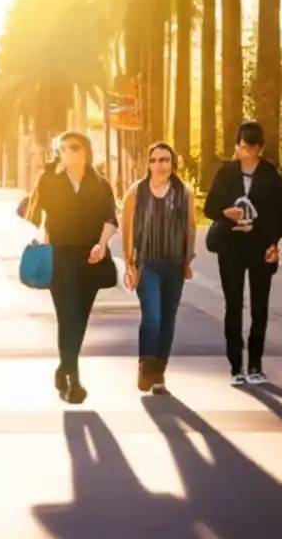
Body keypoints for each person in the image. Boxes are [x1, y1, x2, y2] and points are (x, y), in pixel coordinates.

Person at [24, 131, 118, 404]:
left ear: (86, 151)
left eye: (74, 147)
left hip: (90, 257)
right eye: (63, 148)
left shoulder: (100, 184)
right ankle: (73, 379)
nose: (68, 152)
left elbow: (110, 218)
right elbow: (34, 213)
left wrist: (101, 245)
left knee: (80, 318)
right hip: (61, 256)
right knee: (67, 316)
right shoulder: (49, 180)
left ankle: (64, 366)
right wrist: (44, 236)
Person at [204, 122, 282, 386]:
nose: (244, 148)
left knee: (260, 308)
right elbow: (210, 207)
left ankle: (256, 365)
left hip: (260, 247)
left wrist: (271, 240)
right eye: (241, 143)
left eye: (250, 144)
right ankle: (236, 366)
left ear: (260, 146)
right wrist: (227, 213)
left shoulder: (270, 174)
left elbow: (279, 213)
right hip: (231, 247)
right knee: (234, 305)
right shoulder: (226, 172)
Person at [121, 142, 196, 395]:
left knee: (168, 319)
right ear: (148, 164)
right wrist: (129, 262)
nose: (159, 164)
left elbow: (191, 227)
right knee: (152, 315)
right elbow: (128, 228)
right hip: (147, 262)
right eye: (154, 160)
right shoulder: (137, 192)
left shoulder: (183, 192)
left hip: (174, 263)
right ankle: (146, 365)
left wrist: (187, 261)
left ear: (173, 163)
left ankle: (159, 372)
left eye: (165, 159)